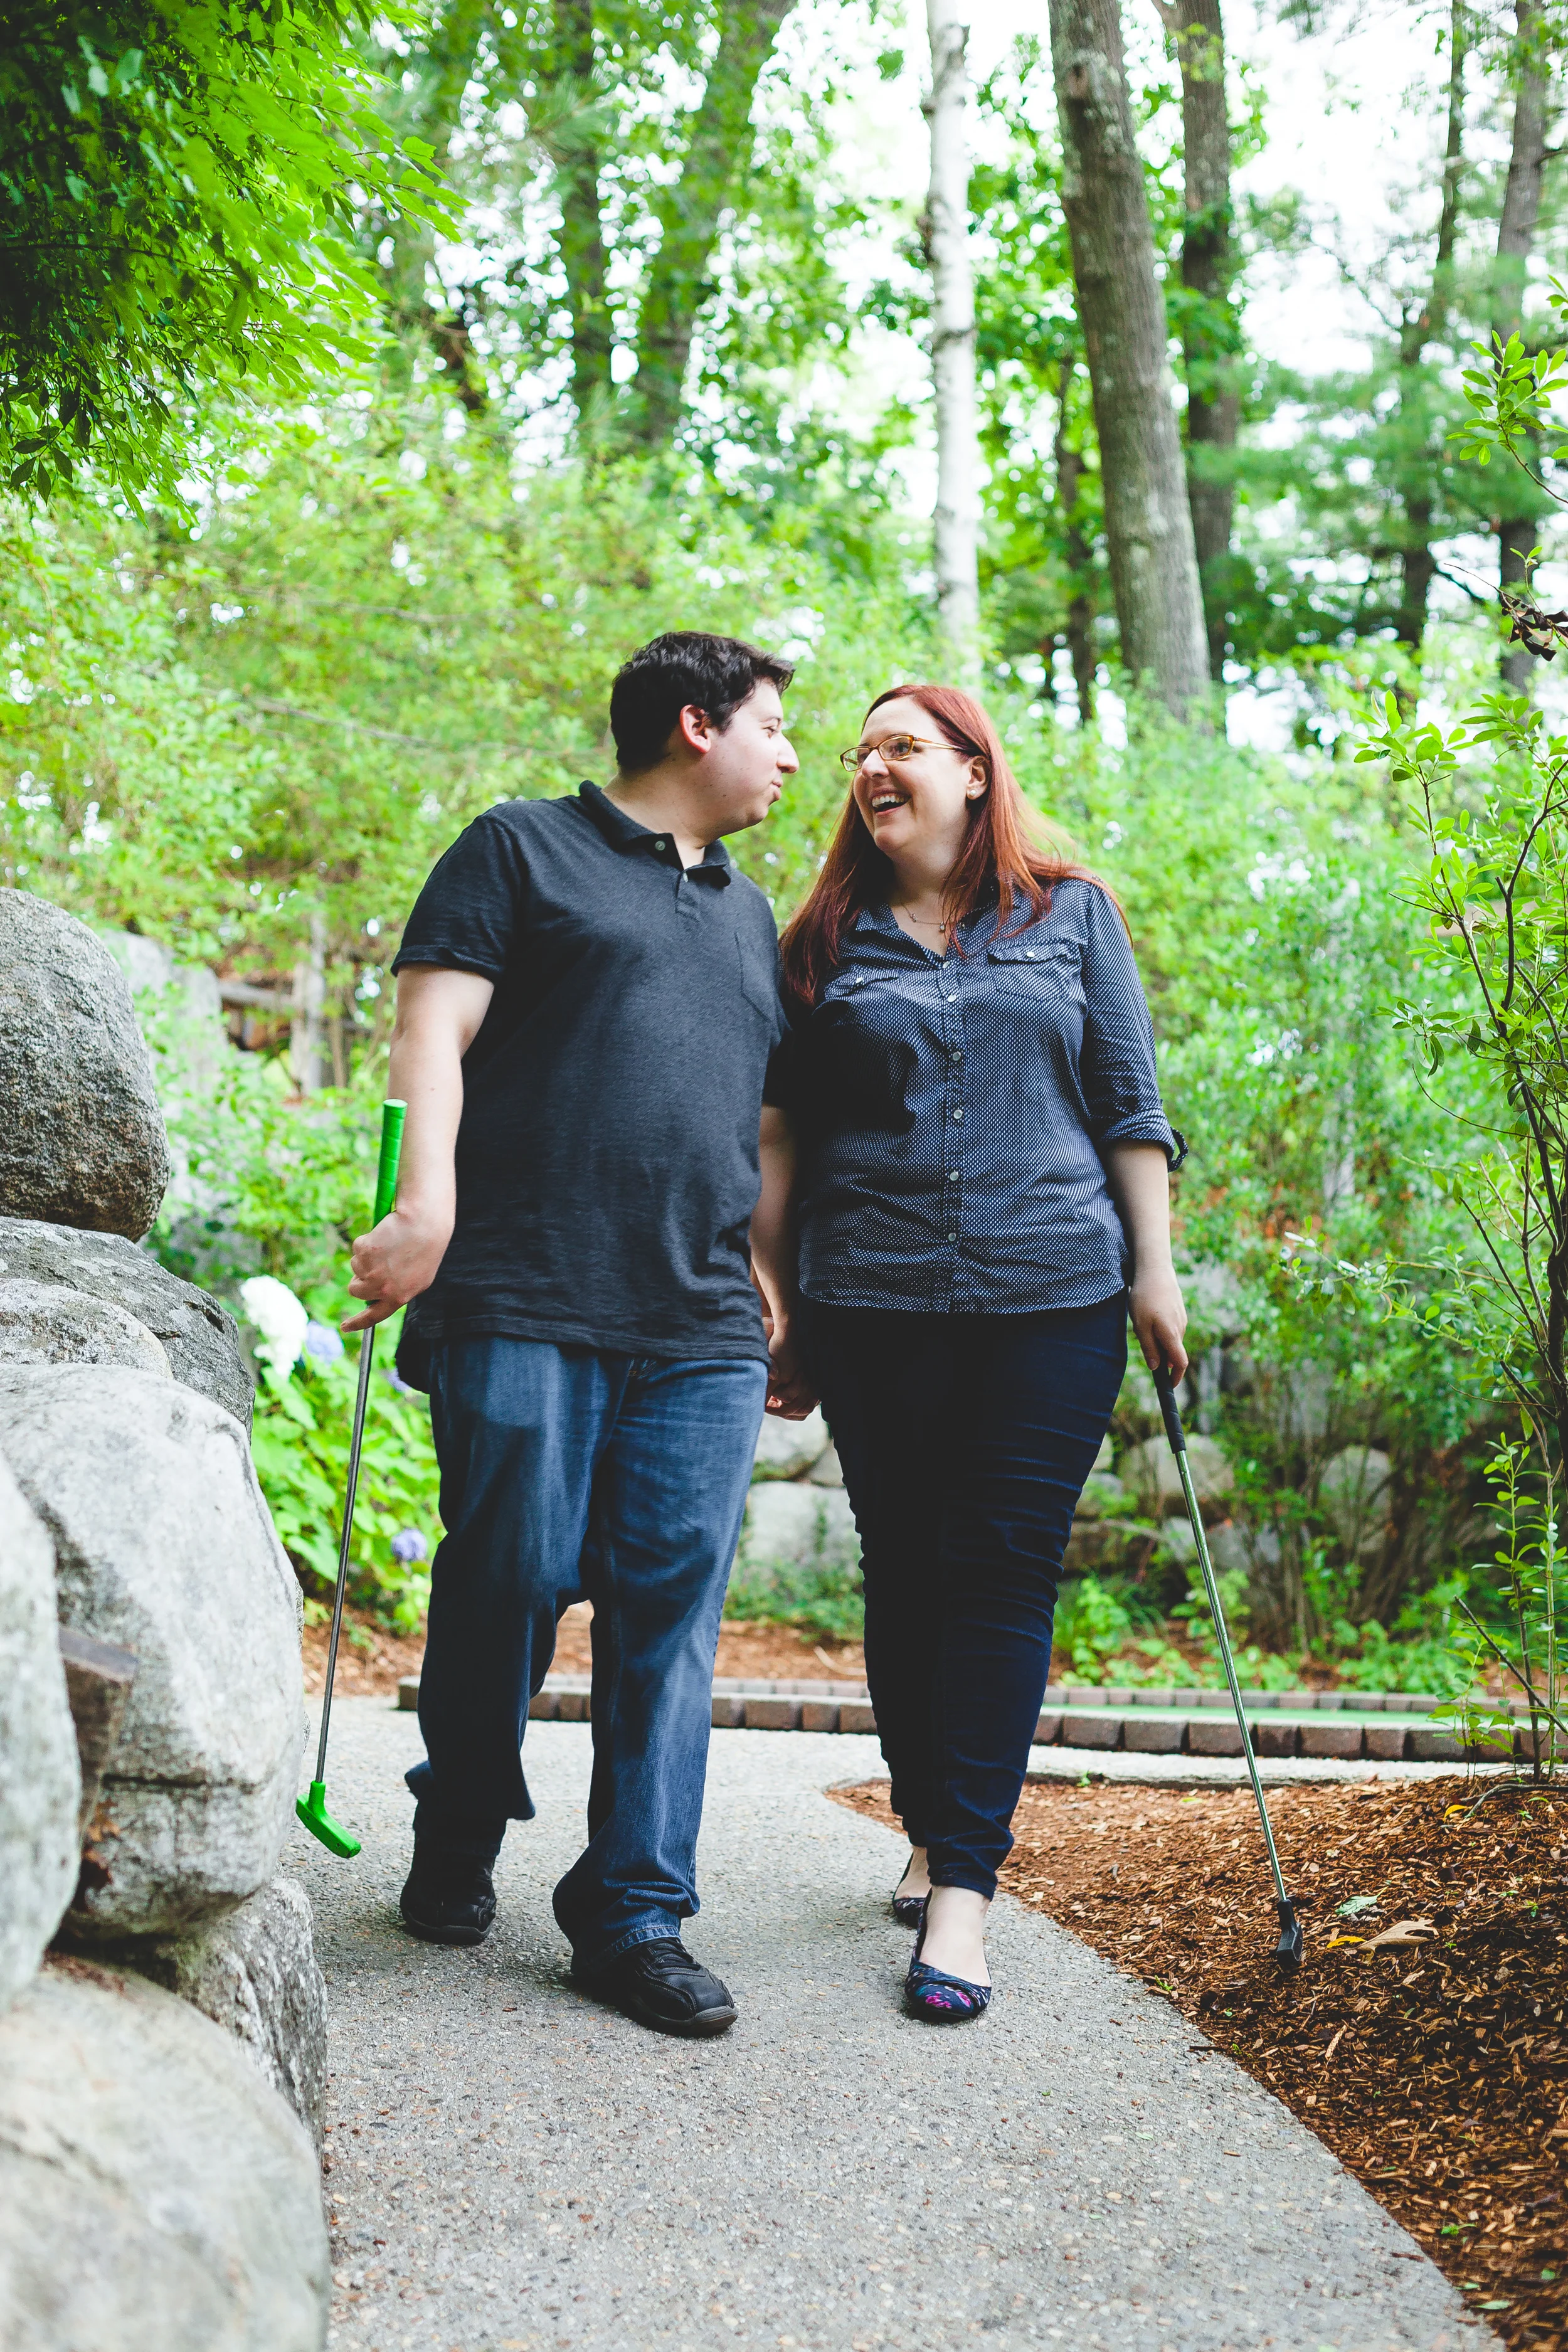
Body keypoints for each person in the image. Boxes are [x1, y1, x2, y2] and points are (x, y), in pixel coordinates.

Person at [342, 630, 810, 2038]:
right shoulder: (519, 850)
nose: (791, 757)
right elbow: (430, 1034)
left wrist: (770, 1270)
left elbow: (766, 1117)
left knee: (669, 1616)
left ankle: (633, 1911)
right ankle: (463, 1811)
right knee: (513, 1573)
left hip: (699, 1321)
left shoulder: (745, 911)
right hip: (524, 1291)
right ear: (692, 725)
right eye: (772, 727)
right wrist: (424, 1203)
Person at [769, 683, 1187, 2022]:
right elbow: (781, 1140)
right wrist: (772, 1291)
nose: (868, 769)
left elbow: (1128, 1102)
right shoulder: (822, 941)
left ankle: (963, 1890)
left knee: (1002, 1572)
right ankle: (933, 1821)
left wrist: (1155, 1272)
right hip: (872, 1299)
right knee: (905, 1574)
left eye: (899, 746)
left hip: (1050, 1293)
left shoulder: (1071, 913)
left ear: (969, 768)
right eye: (857, 756)